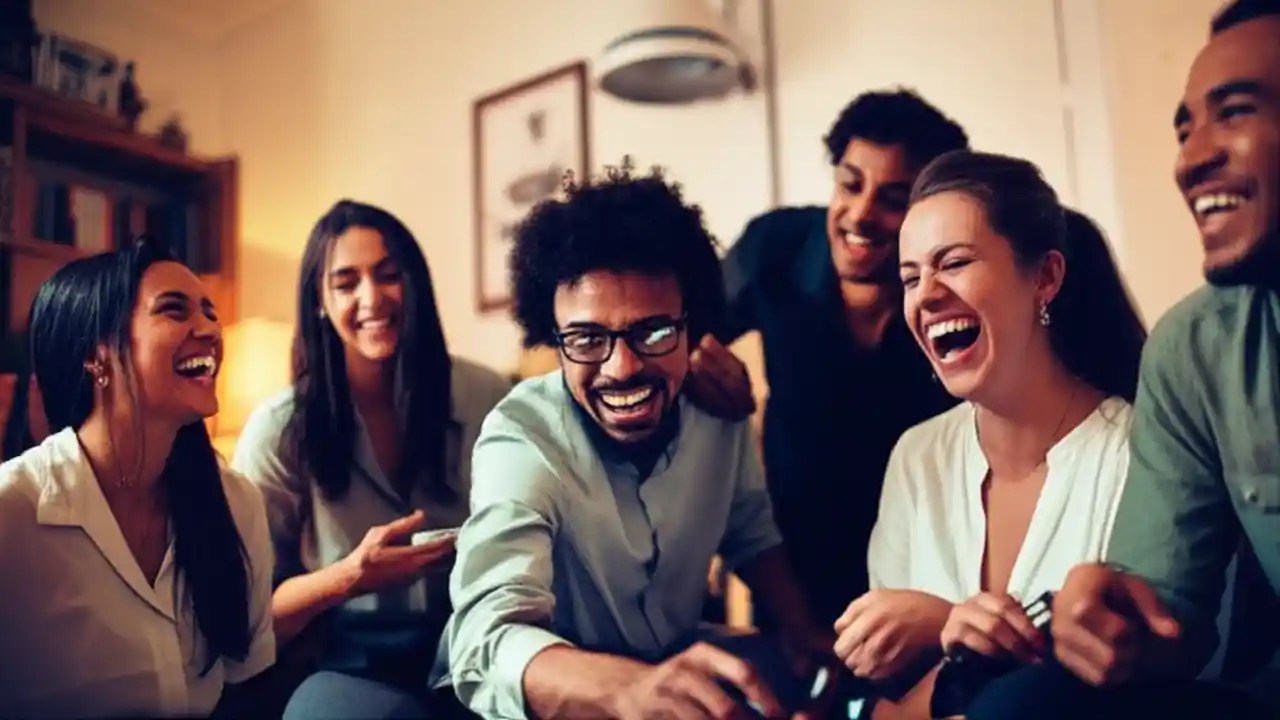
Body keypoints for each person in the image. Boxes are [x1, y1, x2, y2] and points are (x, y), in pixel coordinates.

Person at [966, 1, 1280, 717]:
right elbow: (1172, 618)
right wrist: (1109, 624)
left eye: (1233, 113)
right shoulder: (1192, 350)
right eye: (1184, 128)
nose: (1191, 159)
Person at [433, 161, 832, 720]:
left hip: (677, 661)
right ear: (554, 338)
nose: (621, 367)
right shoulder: (522, 438)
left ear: (691, 326)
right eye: (587, 338)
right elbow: (484, 639)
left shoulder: (720, 408)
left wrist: (806, 637)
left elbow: (747, 526)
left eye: (653, 331)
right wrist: (629, 691)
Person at [825, 151, 1146, 719]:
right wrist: (950, 627)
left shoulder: (1134, 455)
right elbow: (879, 705)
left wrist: (941, 627)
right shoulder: (917, 458)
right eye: (909, 277)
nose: (925, 295)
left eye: (953, 263)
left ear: (1045, 276)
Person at [687, 89, 969, 628]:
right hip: (796, 556)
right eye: (850, 184)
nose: (861, 214)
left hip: (927, 560)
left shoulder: (957, 286)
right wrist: (707, 373)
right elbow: (679, 339)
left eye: (893, 198)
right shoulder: (775, 246)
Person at [231, 200, 510, 719]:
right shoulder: (279, 430)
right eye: (345, 282)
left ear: (416, 284)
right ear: (319, 300)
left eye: (388, 276)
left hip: (477, 646)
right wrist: (349, 577)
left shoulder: (487, 395)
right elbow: (249, 618)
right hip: (349, 661)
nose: (371, 298)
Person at [0, 237, 275, 718]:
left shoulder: (237, 502)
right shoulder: (13, 513)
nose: (210, 329)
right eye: (175, 310)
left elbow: (244, 685)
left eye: (210, 312)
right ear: (97, 354)